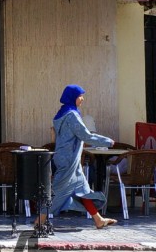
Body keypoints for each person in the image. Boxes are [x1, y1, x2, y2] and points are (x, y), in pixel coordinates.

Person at [37, 84, 117, 232]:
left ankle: (98, 220)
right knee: (59, 192)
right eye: (80, 96)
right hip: (69, 160)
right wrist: (107, 141)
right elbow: (85, 135)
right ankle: (39, 221)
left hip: (68, 158)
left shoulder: (62, 113)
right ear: (73, 97)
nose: (82, 99)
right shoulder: (72, 116)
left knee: (84, 191)